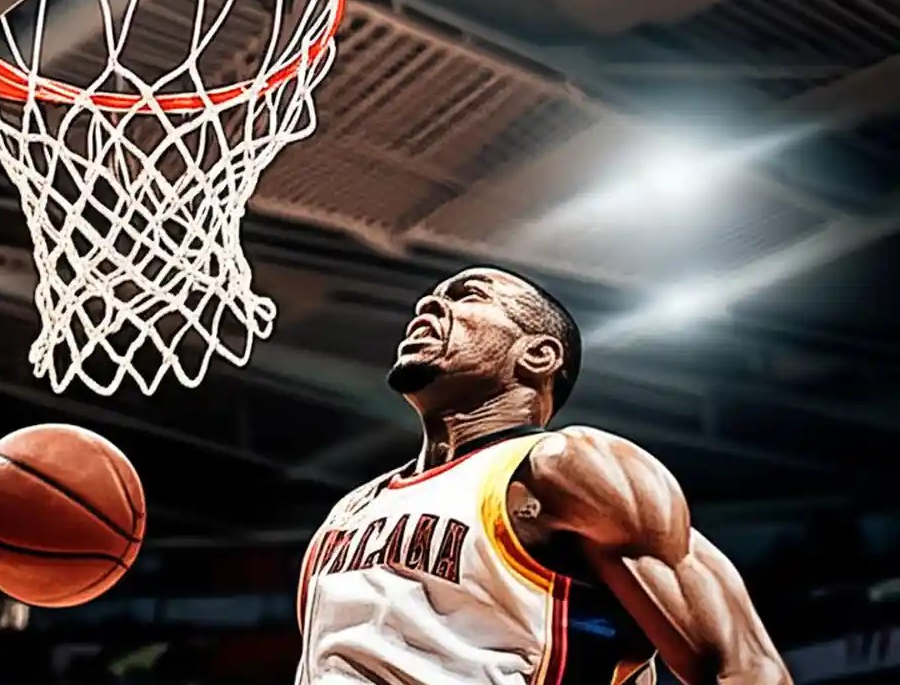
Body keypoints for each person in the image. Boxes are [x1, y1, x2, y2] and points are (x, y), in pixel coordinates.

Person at [294, 266, 790, 685]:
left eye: (469, 295)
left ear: (538, 355)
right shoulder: (350, 510)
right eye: (433, 296)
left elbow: (743, 667)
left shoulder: (568, 466)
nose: (429, 304)